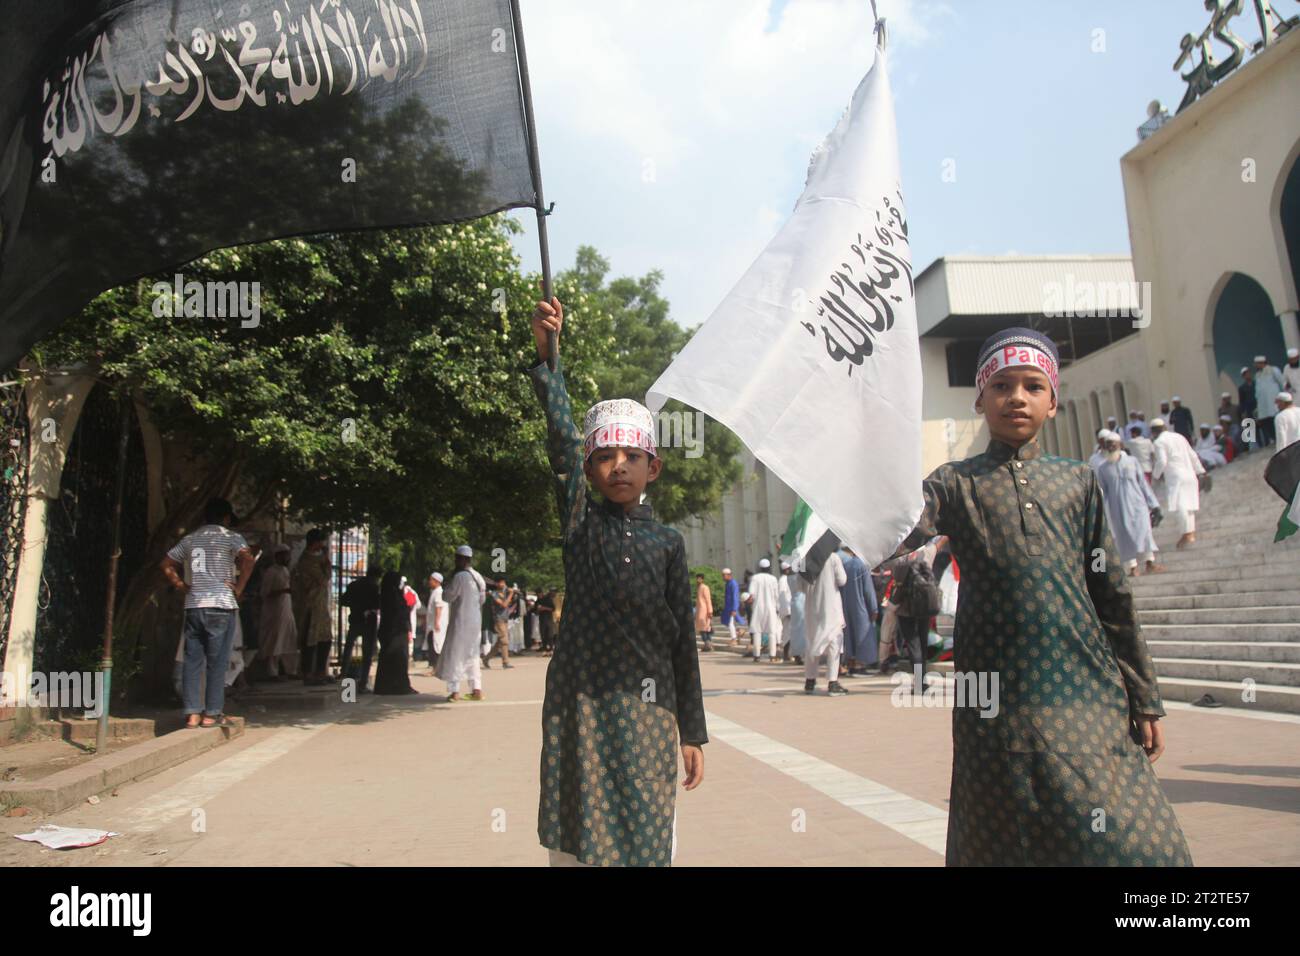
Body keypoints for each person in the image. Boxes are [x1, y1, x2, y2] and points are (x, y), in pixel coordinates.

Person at [899, 326, 1191, 866]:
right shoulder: (953, 484)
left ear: (1054, 401)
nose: (1017, 397)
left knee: (1139, 845)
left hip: (1089, 689)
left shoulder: (1078, 481)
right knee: (1006, 830)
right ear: (980, 399)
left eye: (1033, 386)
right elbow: (891, 537)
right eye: (1002, 385)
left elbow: (1112, 593)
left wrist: (1144, 694)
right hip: (996, 696)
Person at [527, 296, 706, 868]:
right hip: (581, 707)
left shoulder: (669, 544)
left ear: (653, 467)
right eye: (606, 455)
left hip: (649, 713)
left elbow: (683, 646)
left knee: (650, 830)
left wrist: (693, 732)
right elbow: (560, 438)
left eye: (633, 455)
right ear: (588, 469)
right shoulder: (580, 521)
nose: (620, 465)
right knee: (577, 839)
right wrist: (548, 353)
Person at [160, 498, 255, 728]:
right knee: (217, 661)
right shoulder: (230, 537)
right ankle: (211, 713)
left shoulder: (190, 539)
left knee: (193, 660)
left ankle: (192, 713)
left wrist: (181, 586)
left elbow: (166, 564)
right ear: (225, 518)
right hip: (221, 604)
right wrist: (240, 587)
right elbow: (248, 559)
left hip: (194, 605)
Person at [1096, 434, 1165, 577]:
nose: (1111, 446)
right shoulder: (1103, 468)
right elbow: (1102, 493)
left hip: (1138, 505)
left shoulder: (1132, 462)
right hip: (1118, 509)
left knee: (1145, 532)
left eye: (1113, 443)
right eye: (1108, 443)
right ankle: (1132, 567)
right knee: (1124, 537)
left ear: (1120, 444)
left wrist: (1154, 505)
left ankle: (1149, 562)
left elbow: (1143, 484)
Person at [435, 545, 487, 701]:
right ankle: (476, 690)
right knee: (472, 655)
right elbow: (482, 599)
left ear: (462, 559)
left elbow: (448, 597)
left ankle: (454, 691)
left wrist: (445, 589)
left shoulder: (459, 577)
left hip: (461, 621)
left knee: (455, 654)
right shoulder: (478, 577)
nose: (455, 561)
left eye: (457, 558)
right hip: (475, 623)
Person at [1152, 416, 1205, 550]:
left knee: (1181, 505)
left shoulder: (1159, 442)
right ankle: (1190, 532)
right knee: (1189, 505)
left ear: (1154, 431)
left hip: (1176, 477)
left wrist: (1155, 475)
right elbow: (1193, 455)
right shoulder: (1179, 437)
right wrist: (1200, 471)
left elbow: (1162, 461)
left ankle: (1186, 534)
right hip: (1190, 474)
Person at [801, 549, 847, 697]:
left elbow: (799, 587)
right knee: (834, 643)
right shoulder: (833, 557)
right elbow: (842, 580)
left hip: (811, 608)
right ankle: (832, 682)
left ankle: (810, 680)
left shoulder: (803, 560)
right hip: (830, 607)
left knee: (812, 642)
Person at [292, 529, 334, 685]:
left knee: (325, 640)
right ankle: (308, 674)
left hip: (320, 606)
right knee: (310, 641)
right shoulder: (307, 561)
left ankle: (320, 672)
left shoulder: (319, 559)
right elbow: (324, 578)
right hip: (310, 606)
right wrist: (326, 563)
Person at [257, 544, 300, 680]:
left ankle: (291, 671)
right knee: (274, 642)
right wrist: (283, 591)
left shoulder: (285, 571)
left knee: (290, 641)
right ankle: (272, 673)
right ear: (278, 556)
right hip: (274, 613)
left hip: (286, 611)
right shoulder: (271, 572)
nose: (288, 558)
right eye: (285, 555)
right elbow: (265, 593)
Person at [374, 571, 417, 695]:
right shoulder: (391, 595)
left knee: (393, 660)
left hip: (394, 632)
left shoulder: (390, 593)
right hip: (395, 632)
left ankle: (391, 686)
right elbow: (397, 613)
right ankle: (398, 686)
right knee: (398, 660)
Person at [838, 546, 878, 675]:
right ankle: (860, 665)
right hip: (861, 606)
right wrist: (874, 608)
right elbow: (868, 590)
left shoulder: (846, 564)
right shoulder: (863, 566)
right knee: (862, 635)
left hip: (846, 606)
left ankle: (851, 664)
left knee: (849, 635)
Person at [339, 565, 380, 690]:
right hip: (368, 622)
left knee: (348, 647)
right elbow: (378, 603)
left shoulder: (354, 585)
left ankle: (343, 674)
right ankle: (363, 681)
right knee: (367, 653)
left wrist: (356, 606)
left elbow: (343, 600)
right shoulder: (374, 586)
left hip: (355, 619)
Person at [747, 558, 783, 662]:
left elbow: (751, 594)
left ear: (759, 568)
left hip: (758, 607)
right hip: (771, 607)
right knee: (772, 631)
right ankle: (772, 655)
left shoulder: (755, 578)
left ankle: (756, 655)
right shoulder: (773, 579)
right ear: (769, 568)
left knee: (757, 631)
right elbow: (777, 596)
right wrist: (778, 608)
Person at [1253, 355, 1286, 447]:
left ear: (1262, 363)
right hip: (1263, 404)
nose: (1256, 366)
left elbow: (1282, 382)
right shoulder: (1257, 375)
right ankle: (1275, 439)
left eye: (1257, 364)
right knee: (1266, 422)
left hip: (1273, 401)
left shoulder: (1273, 370)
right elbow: (1257, 390)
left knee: (1276, 419)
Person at [484, 577, 515, 669]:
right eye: (501, 583)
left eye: (504, 583)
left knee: (500, 643)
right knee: (504, 641)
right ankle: (505, 662)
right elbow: (504, 605)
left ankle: (486, 658)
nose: (503, 584)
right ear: (497, 584)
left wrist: (512, 592)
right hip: (498, 620)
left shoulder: (505, 592)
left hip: (505, 619)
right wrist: (511, 594)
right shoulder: (494, 594)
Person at [424, 572, 447, 668]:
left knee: (436, 645)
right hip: (432, 624)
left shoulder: (439, 592)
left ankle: (436, 668)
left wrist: (437, 622)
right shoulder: (434, 592)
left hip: (436, 624)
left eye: (431, 580)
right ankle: (435, 667)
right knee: (432, 644)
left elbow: (439, 608)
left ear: (436, 581)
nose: (429, 582)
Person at [786, 565, 808, 666]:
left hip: (794, 603)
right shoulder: (800, 575)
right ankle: (802, 654)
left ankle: (797, 654)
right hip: (803, 601)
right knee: (803, 630)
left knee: (795, 630)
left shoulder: (789, 575)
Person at [777, 560, 793, 661]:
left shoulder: (787, 579)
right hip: (788, 611)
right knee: (787, 634)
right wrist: (787, 611)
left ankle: (789, 654)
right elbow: (783, 597)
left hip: (790, 609)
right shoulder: (783, 580)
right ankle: (786, 655)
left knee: (790, 633)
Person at [720, 567, 741, 645]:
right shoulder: (728, 583)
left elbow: (735, 597)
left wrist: (734, 609)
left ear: (729, 575)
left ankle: (734, 639)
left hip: (732, 607)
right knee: (729, 622)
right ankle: (739, 631)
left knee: (730, 623)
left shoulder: (733, 583)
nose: (723, 577)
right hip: (728, 607)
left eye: (724, 575)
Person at [694, 574, 714, 652]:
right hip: (699, 611)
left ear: (702, 579)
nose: (697, 580)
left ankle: (708, 644)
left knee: (705, 628)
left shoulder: (705, 587)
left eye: (699, 579)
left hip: (705, 611)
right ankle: (707, 644)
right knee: (702, 629)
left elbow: (708, 600)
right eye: (697, 579)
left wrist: (710, 611)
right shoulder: (699, 588)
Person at [535, 588, 557, 655]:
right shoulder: (538, 601)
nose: (539, 595)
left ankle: (551, 649)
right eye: (537, 594)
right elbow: (535, 611)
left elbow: (553, 609)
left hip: (549, 619)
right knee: (543, 635)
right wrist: (538, 610)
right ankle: (544, 649)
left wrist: (544, 608)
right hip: (542, 620)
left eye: (539, 594)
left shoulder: (548, 599)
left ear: (542, 593)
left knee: (550, 635)